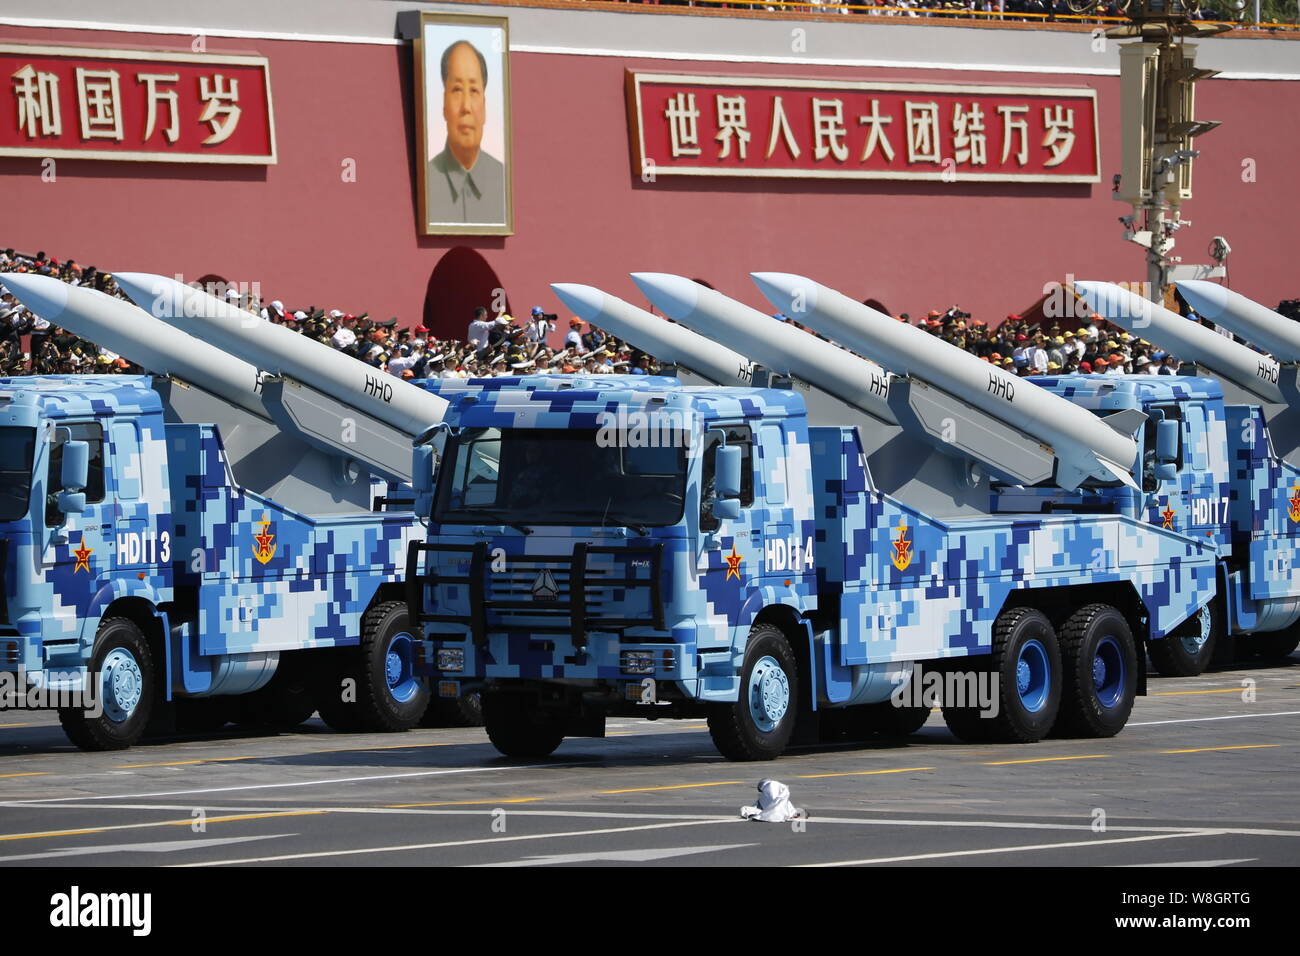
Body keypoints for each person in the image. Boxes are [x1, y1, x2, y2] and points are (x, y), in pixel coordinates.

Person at [426, 40, 507, 226]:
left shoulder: (504, 183)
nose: (466, 107)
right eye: (456, 90)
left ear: (485, 106)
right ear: (444, 105)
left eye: (473, 90)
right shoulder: (427, 181)